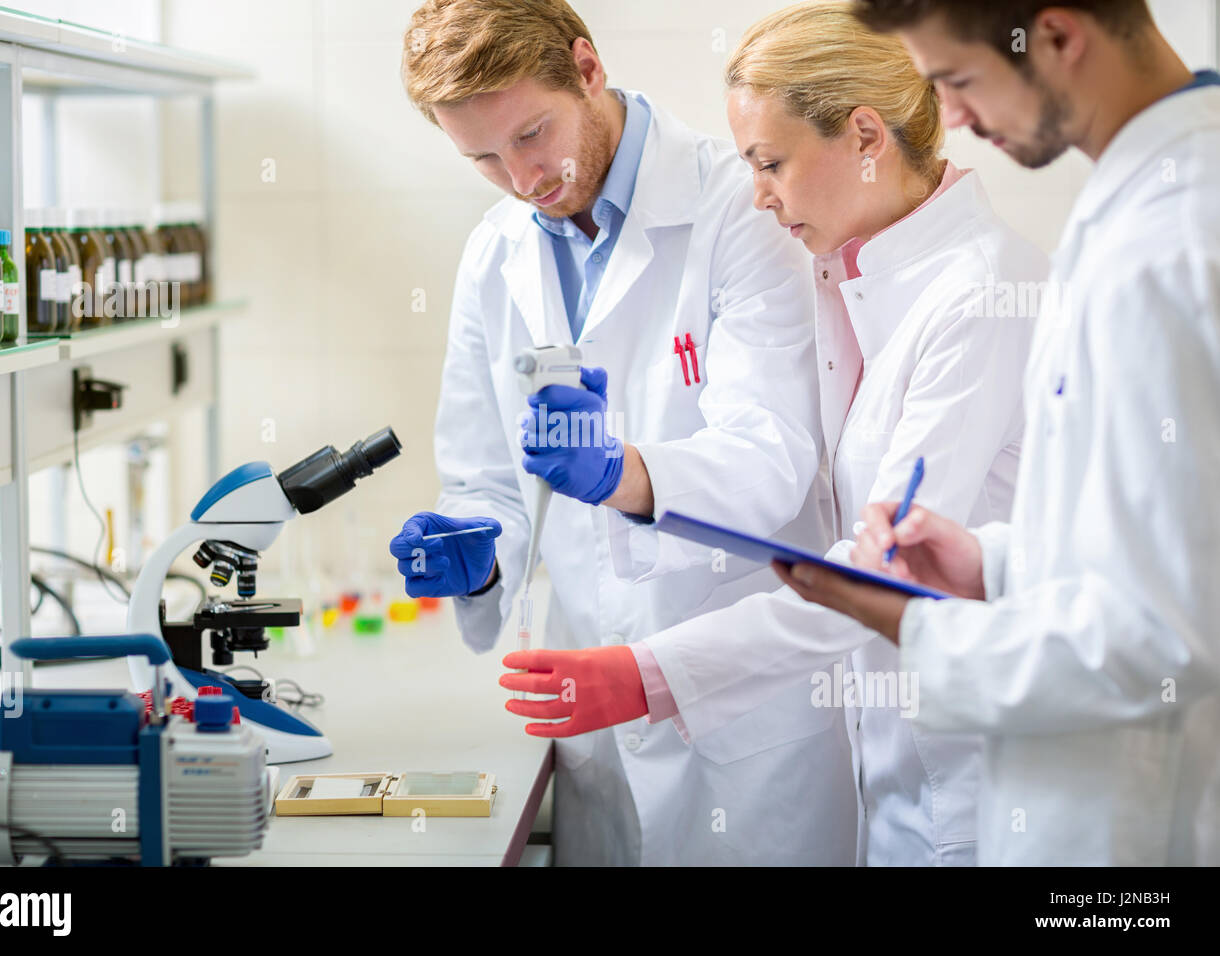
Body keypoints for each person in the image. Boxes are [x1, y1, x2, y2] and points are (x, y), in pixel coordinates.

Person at [501, 0, 1049, 866]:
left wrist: (649, 673)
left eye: (771, 163)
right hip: (896, 771)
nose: (758, 197)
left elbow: (883, 575)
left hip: (979, 792)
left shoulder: (980, 296)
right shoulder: (852, 277)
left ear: (866, 135)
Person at [391, 0, 849, 865]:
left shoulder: (739, 210)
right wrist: (474, 547)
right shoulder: (494, 253)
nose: (522, 177)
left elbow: (773, 453)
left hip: (743, 709)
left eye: (532, 133)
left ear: (588, 67)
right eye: (483, 157)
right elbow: (487, 478)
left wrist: (623, 474)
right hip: (591, 700)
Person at [780, 0, 1220, 865]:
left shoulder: (1172, 244)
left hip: (1134, 847)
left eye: (959, 81)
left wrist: (921, 629)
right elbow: (1160, 537)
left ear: (1056, 36)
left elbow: (1166, 636)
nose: (959, 120)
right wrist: (997, 564)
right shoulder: (1135, 208)